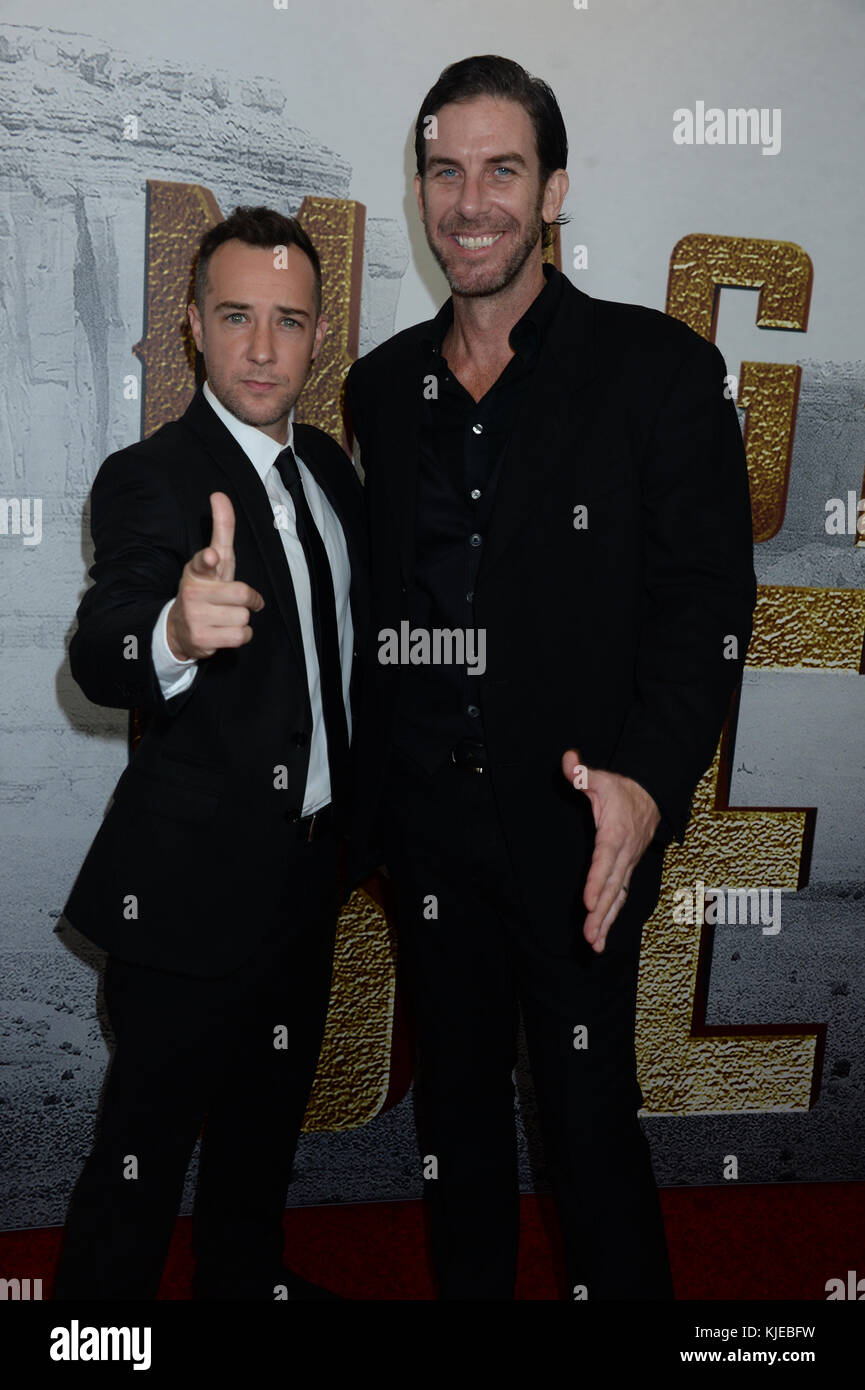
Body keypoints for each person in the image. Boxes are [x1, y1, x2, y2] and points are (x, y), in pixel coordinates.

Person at [345, 55, 756, 1300]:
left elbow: (705, 610)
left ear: (554, 189)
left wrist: (642, 777)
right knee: (454, 1128)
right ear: (421, 189)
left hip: (582, 824)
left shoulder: (658, 373)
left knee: (585, 1122)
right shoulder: (383, 389)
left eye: (502, 171)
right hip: (426, 832)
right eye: (445, 170)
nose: (471, 201)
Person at [54, 205, 366, 1300]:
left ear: (320, 334)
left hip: (309, 876)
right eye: (237, 316)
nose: (263, 347)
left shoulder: (329, 470)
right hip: (182, 901)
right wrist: (173, 633)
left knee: (261, 1141)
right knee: (135, 1173)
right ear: (192, 324)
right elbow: (105, 644)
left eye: (288, 320)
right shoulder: (151, 478)